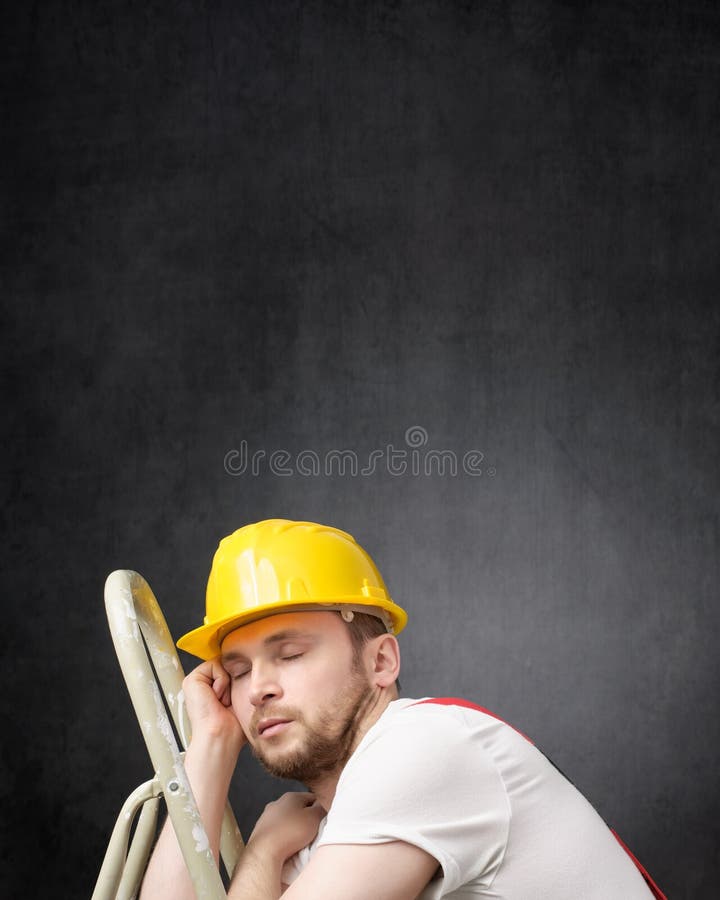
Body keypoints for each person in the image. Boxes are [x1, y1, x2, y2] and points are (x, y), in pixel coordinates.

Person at [140, 518, 664, 900]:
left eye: (290, 654)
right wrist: (209, 748)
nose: (258, 689)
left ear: (381, 661)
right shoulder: (330, 829)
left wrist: (260, 854)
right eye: (238, 670)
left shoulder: (422, 749)